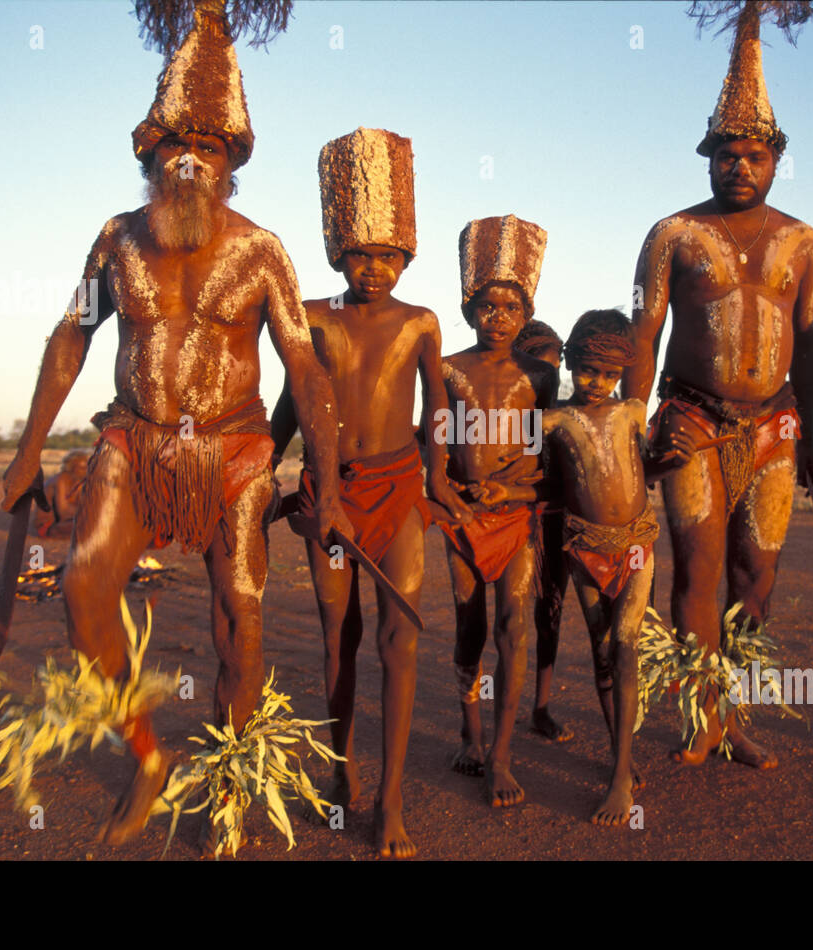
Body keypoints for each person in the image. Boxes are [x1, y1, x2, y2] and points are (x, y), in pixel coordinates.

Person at [0, 5, 349, 844]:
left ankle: (230, 774)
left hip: (233, 448)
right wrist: (27, 451)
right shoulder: (117, 240)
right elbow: (71, 336)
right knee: (83, 589)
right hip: (135, 438)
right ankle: (148, 756)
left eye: (211, 149)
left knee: (242, 613)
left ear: (231, 166)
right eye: (175, 148)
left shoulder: (263, 250)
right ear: (152, 157)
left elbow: (305, 366)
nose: (191, 161)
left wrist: (325, 483)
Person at [624, 1, 813, 768]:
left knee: (757, 578)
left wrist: (801, 428)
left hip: (773, 425)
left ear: (776, 159)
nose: (739, 166)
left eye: (753, 155)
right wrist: (639, 428)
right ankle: (699, 714)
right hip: (690, 421)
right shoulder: (672, 234)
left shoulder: (803, 241)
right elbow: (644, 335)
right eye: (725, 154)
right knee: (697, 571)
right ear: (706, 158)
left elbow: (806, 345)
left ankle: (732, 711)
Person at [269, 127, 469, 857]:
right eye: (359, 253)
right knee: (337, 639)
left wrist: (439, 478)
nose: (373, 267)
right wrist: (265, 468)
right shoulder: (310, 319)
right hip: (330, 494)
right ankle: (342, 771)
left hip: (397, 490)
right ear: (336, 253)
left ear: (407, 256)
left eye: (388, 254)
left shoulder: (420, 323)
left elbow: (437, 407)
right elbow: (293, 405)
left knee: (400, 640)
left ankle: (391, 802)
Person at [541, 310, 693, 824]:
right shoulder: (554, 422)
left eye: (607, 374)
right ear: (569, 364)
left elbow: (647, 468)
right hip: (583, 550)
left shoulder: (631, 412)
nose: (595, 383)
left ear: (622, 374)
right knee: (602, 653)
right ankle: (618, 756)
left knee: (625, 648)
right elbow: (542, 484)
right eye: (587, 371)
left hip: (634, 548)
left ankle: (621, 776)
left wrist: (673, 459)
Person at [438, 214, 556, 807]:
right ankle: (471, 735)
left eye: (512, 308)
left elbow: (548, 459)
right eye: (487, 306)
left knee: (515, 628)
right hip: (461, 516)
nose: (499, 318)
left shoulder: (541, 375)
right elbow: (437, 440)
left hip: (517, 520)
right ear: (469, 309)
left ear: (526, 314)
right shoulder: (449, 369)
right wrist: (446, 494)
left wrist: (513, 494)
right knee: (470, 627)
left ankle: (503, 755)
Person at [512, 321, 573, 742]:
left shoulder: (567, 417)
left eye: (552, 370)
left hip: (555, 520)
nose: (546, 381)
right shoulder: (503, 416)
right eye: (538, 372)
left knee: (550, 610)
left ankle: (540, 707)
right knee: (503, 620)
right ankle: (484, 720)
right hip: (509, 520)